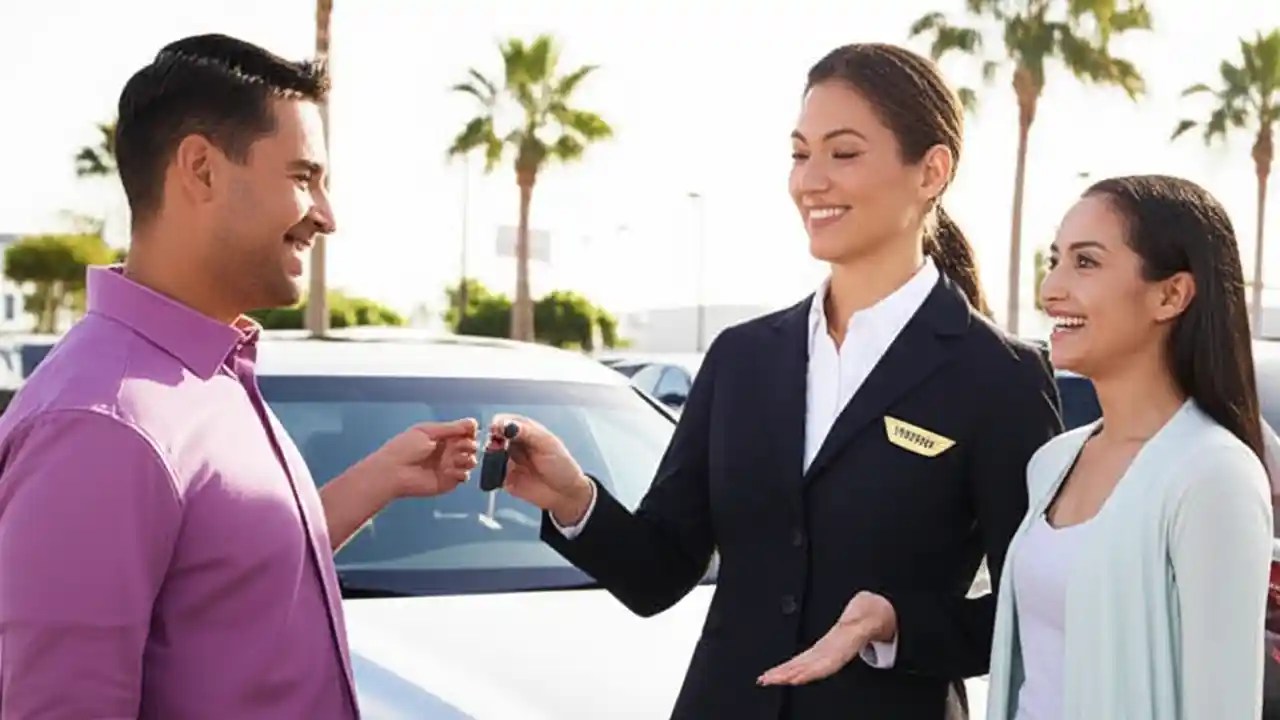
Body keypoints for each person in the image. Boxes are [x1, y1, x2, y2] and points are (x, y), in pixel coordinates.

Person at [486, 42, 1063, 720]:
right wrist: (576, 498)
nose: (810, 180)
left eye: (843, 153)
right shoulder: (742, 359)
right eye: (799, 153)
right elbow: (659, 572)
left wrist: (898, 626)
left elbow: (1037, 610)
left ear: (932, 170)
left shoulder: (999, 377)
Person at [0, 34, 480, 719]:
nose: (326, 215)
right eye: (302, 177)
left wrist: (380, 479)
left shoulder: (201, 376)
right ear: (201, 169)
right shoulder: (101, 421)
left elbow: (231, 573)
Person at [984, 174, 1274, 720]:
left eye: (1086, 262)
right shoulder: (1052, 464)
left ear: (1171, 294)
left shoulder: (1213, 475)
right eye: (1056, 260)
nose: (1051, 289)